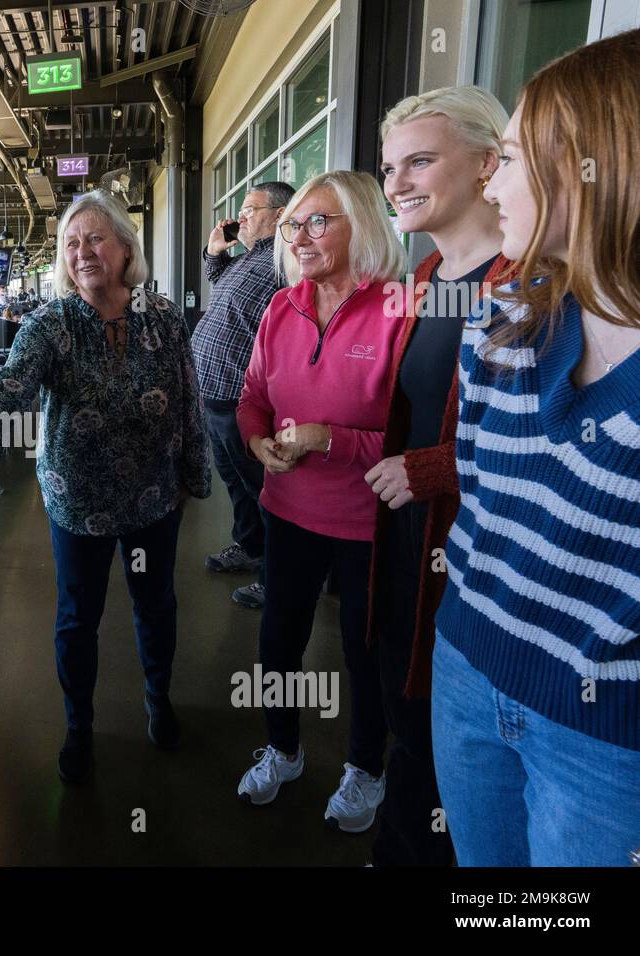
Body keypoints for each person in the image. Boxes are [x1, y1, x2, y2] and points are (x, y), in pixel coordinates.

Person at [431, 29, 640, 867]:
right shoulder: (500, 322)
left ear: (593, 171)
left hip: (606, 736)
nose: (493, 178)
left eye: (510, 157)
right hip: (467, 669)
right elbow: (478, 496)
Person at [0, 189, 210, 783]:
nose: (83, 252)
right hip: (77, 503)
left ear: (127, 248)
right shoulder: (51, 325)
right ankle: (79, 726)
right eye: (72, 244)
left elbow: (187, 399)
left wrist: (193, 475)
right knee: (79, 617)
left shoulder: (164, 317)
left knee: (156, 606)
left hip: (154, 499)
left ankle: (158, 699)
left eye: (95, 238)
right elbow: (12, 385)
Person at [367, 86, 513, 867]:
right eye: (390, 168)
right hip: (404, 546)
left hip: (475, 562)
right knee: (406, 721)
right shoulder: (424, 276)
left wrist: (429, 468)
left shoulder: (535, 280)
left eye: (420, 161)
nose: (396, 184)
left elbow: (547, 440)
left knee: (458, 760)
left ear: (489, 164)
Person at [234, 170, 406, 832]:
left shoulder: (401, 308)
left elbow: (406, 439)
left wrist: (328, 439)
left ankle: (366, 766)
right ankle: (282, 748)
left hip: (368, 520)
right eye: (292, 225)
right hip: (289, 511)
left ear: (361, 224)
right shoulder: (283, 307)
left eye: (317, 222)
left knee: (366, 653)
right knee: (279, 639)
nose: (300, 237)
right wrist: (256, 441)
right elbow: (253, 396)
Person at [192, 181, 293, 610]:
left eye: (252, 209)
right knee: (234, 481)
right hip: (212, 395)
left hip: (240, 397)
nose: (242, 217)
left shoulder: (284, 259)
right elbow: (219, 279)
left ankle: (279, 577)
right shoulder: (251, 259)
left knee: (262, 488)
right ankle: (249, 546)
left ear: (280, 215)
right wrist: (215, 251)